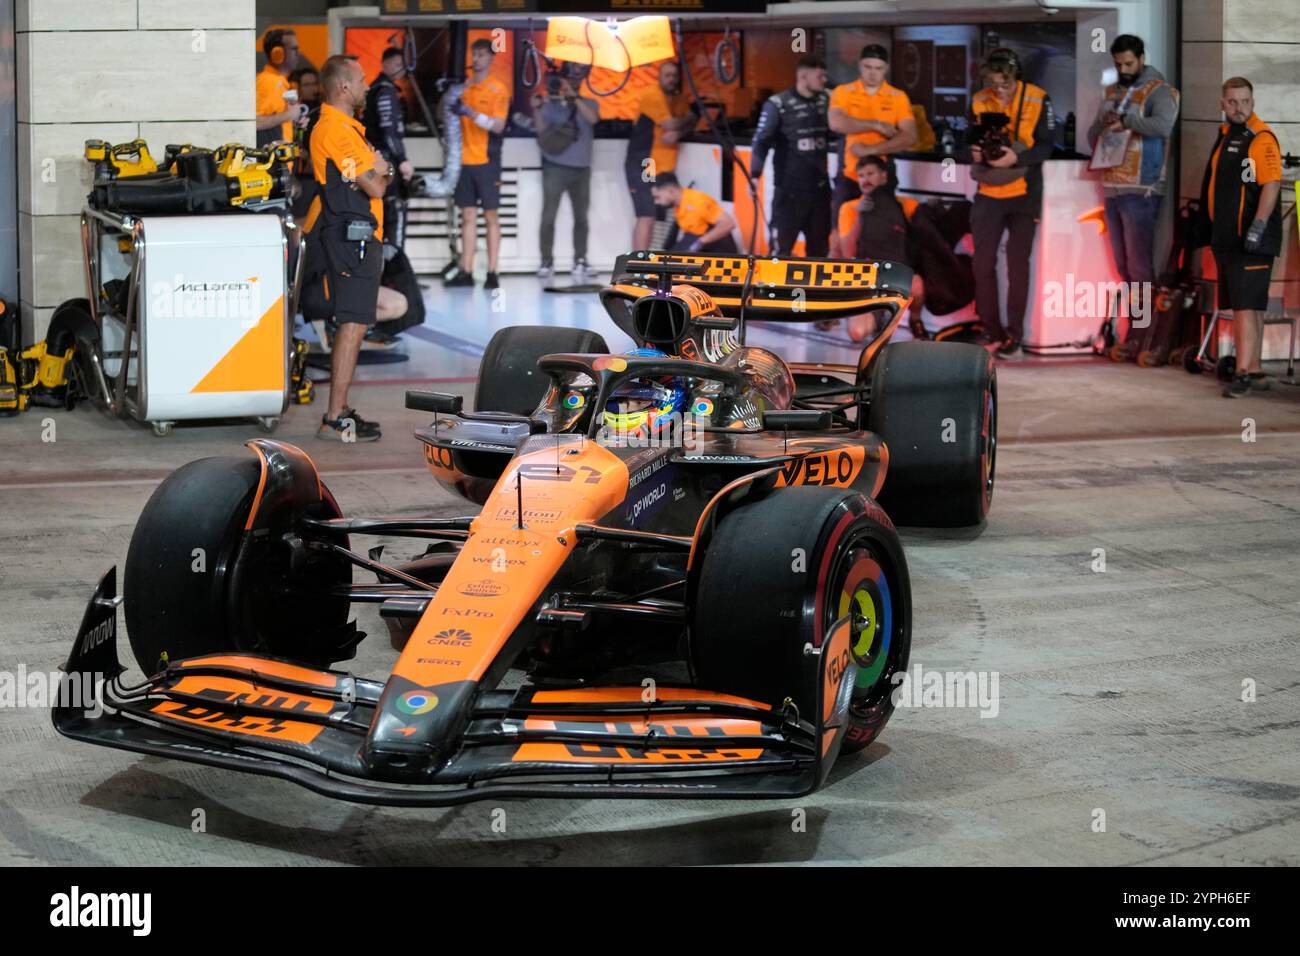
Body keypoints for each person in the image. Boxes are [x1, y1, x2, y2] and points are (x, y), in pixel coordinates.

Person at [303, 55, 396, 442]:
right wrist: (380, 168)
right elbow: (375, 184)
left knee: (356, 323)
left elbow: (377, 173)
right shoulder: (336, 132)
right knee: (353, 324)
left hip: (359, 237)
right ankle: (335, 416)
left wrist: (380, 167)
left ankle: (338, 411)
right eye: (360, 79)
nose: (366, 85)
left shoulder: (347, 129)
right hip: (350, 240)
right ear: (343, 87)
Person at [1198, 77, 1283, 398]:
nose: (1239, 108)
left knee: (1246, 308)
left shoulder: (1261, 138)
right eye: (1232, 102)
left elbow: (1271, 184)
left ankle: (1244, 373)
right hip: (1228, 239)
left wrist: (1258, 227)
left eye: (1245, 101)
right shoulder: (1226, 136)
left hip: (1251, 239)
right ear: (1223, 104)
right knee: (1249, 306)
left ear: (1253, 102)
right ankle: (1255, 368)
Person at [968, 47, 1055, 356]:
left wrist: (1017, 156)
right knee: (982, 263)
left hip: (1024, 193)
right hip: (988, 194)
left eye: (1006, 83)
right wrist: (977, 153)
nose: (1000, 90)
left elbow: (1047, 145)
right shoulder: (979, 100)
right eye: (994, 84)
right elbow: (972, 138)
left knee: (1018, 265)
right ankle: (989, 329)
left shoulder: (1038, 97)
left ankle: (1014, 335)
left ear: (1016, 75)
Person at [1086, 34, 1180, 288]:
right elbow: (1092, 136)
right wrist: (1103, 127)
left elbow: (1163, 126)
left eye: (1128, 64)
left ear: (1141, 59)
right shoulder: (1111, 91)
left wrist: (1127, 121)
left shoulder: (1160, 91)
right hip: (1113, 185)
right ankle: (1135, 322)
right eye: (1118, 64)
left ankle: (1143, 323)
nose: (1123, 70)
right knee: (1123, 265)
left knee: (1139, 266)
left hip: (1142, 187)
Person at [827, 44, 917, 256]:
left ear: (885, 69)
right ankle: (834, 286)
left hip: (881, 179)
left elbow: (910, 136)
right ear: (860, 66)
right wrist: (876, 125)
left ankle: (879, 286)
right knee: (839, 237)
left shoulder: (897, 97)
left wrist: (872, 149)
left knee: (882, 236)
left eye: (878, 68)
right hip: (849, 176)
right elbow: (836, 123)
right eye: (868, 67)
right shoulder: (844, 92)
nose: (873, 73)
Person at [750, 54, 832, 257]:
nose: (824, 81)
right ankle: (775, 289)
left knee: (819, 252)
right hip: (789, 192)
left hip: (820, 191)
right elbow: (761, 141)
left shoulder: (828, 99)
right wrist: (754, 175)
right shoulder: (778, 104)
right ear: (803, 75)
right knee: (780, 252)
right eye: (820, 76)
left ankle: (815, 290)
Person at [446, 39, 510, 289]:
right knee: (467, 216)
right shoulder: (462, 88)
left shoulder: (497, 89)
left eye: (482, 54)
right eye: (475, 54)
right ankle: (467, 270)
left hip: (487, 160)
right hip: (463, 160)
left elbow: (499, 125)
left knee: (491, 215)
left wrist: (470, 113)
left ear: (491, 58)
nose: (477, 59)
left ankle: (493, 271)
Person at [836, 156, 922, 342]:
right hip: (866, 276)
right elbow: (848, 253)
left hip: (897, 273)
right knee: (857, 333)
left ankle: (916, 320)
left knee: (917, 284)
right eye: (861, 175)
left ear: (884, 176)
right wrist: (860, 217)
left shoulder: (906, 204)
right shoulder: (849, 208)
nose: (865, 179)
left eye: (870, 174)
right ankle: (877, 315)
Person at [532, 70, 599, 282]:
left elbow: (593, 119)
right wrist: (536, 109)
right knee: (548, 216)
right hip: (555, 167)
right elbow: (541, 131)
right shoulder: (552, 105)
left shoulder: (589, 103)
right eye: (570, 79)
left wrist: (575, 97)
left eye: (577, 79)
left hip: (582, 169)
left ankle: (580, 260)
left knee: (582, 218)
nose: (573, 81)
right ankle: (546, 261)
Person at [627, 60, 699, 251]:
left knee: (670, 216)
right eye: (667, 75)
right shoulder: (652, 95)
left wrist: (681, 130)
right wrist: (687, 120)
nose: (671, 80)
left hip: (665, 166)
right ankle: (637, 265)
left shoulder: (679, 98)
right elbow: (671, 125)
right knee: (647, 215)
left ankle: (657, 262)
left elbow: (690, 124)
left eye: (674, 76)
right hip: (645, 163)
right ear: (659, 77)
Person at [364, 47, 416, 250]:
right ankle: (397, 274)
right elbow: (389, 130)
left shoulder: (377, 88)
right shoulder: (385, 90)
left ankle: (388, 273)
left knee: (384, 214)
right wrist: (402, 159)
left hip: (376, 160)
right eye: (396, 64)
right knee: (395, 213)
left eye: (402, 65)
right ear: (384, 65)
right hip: (386, 161)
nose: (400, 69)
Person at [650, 174, 739, 255]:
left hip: (718, 250)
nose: (656, 202)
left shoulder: (697, 200)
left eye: (658, 197)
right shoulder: (678, 205)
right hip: (696, 240)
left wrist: (700, 242)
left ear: (670, 191)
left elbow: (728, 224)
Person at [255, 29, 307, 147]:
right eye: (294, 49)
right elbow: (254, 122)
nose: (298, 53)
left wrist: (294, 122)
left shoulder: (278, 81)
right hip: (271, 163)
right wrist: (289, 115)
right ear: (277, 53)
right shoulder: (270, 81)